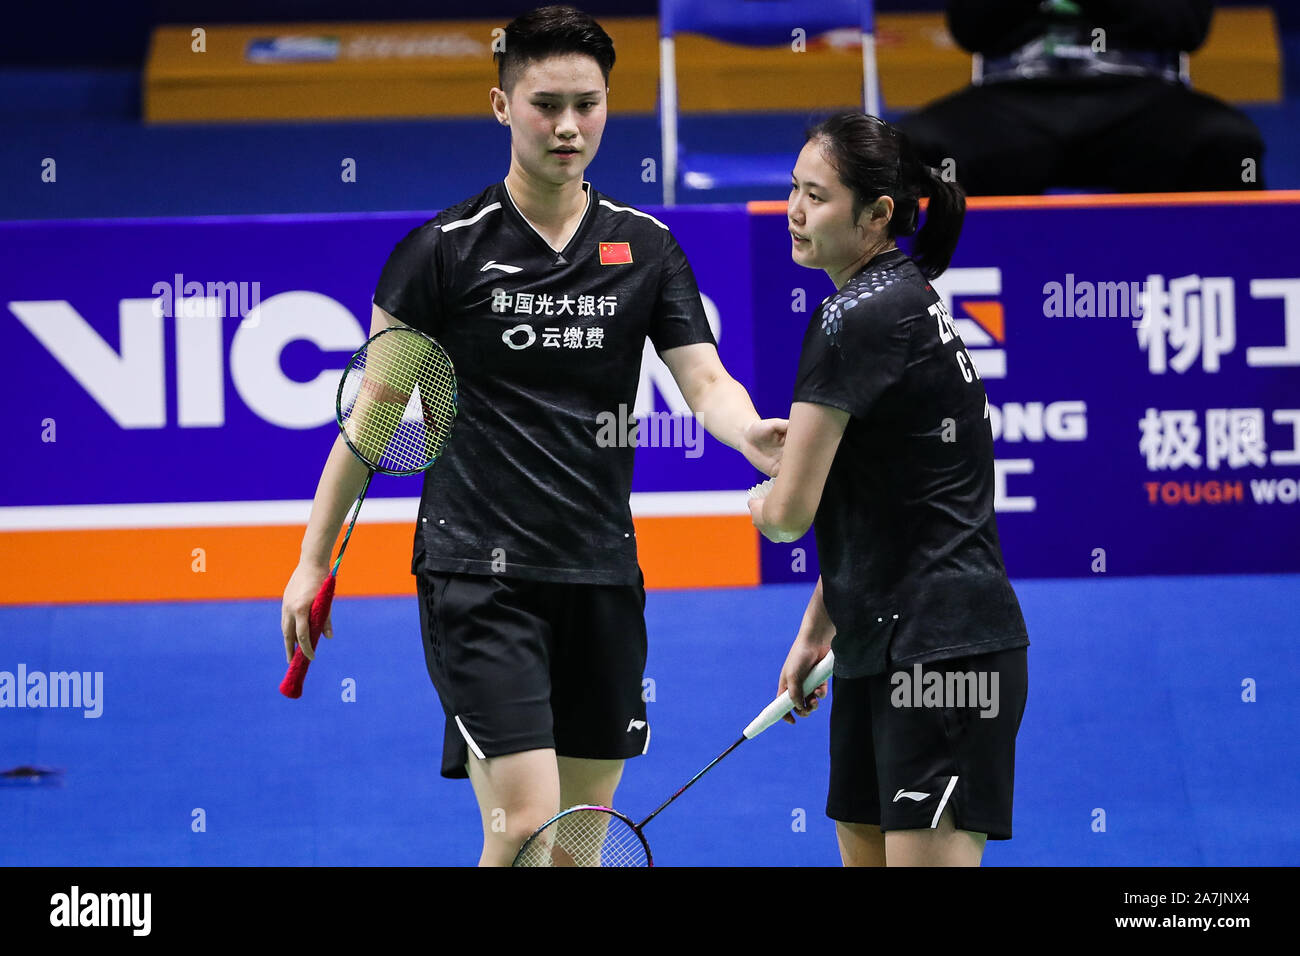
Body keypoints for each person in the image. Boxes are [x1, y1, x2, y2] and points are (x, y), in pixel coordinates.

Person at [279, 4, 785, 867]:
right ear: (502, 105)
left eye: (588, 104)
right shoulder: (440, 254)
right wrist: (312, 561)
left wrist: (752, 436)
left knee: (577, 847)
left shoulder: (647, 248)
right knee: (522, 825)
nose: (568, 126)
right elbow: (373, 422)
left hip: (599, 571)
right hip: (478, 574)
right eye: (546, 104)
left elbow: (704, 380)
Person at [750, 112, 1029, 866]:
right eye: (793, 189)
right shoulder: (901, 297)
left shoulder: (855, 318)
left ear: (876, 214)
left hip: (947, 653)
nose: (794, 211)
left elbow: (787, 518)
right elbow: (885, 502)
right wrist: (818, 629)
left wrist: (761, 499)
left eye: (817, 197)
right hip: (878, 643)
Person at [896, 0, 1265, 194]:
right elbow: (971, 27)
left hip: (1139, 97)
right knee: (919, 150)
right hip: (1014, 97)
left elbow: (1184, 26)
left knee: (1229, 145)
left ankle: (1227, 290)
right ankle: (923, 303)